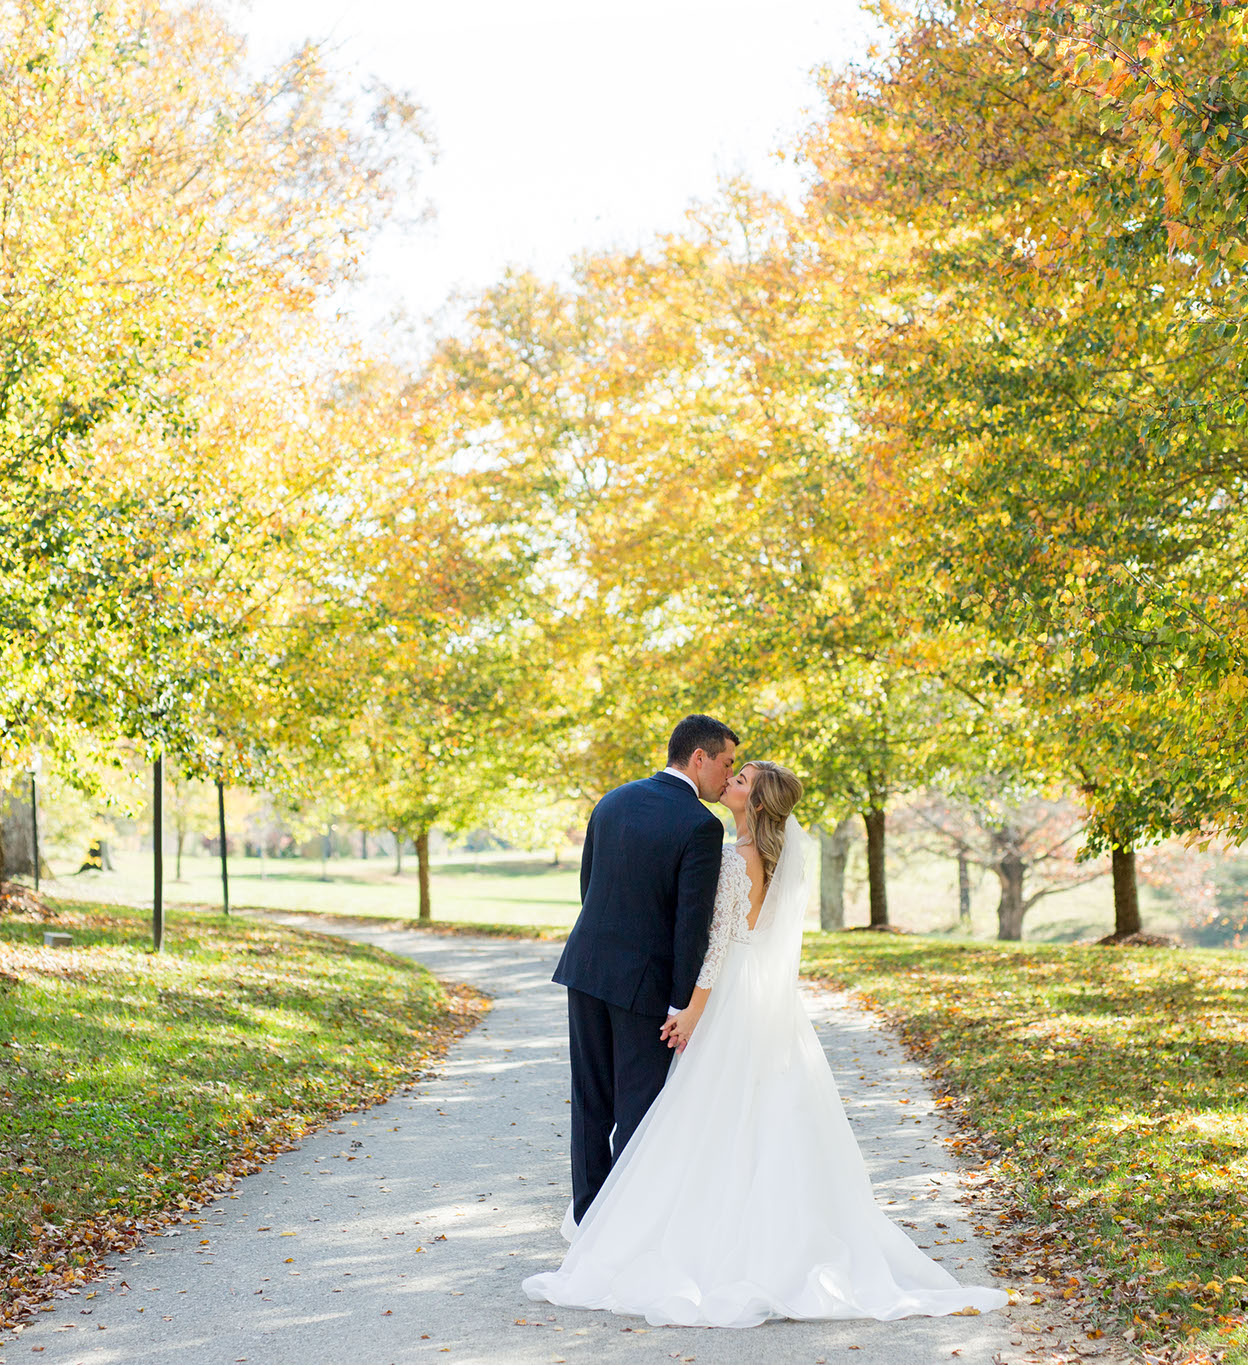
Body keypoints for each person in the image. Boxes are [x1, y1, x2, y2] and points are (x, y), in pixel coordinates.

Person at [525, 760, 1011, 1327]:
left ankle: (681, 1234)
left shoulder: (740, 857)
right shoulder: (755, 853)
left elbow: (719, 944)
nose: (732, 778)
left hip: (727, 995)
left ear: (757, 801)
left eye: (743, 778)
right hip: (751, 997)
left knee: (706, 1112)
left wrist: (690, 1012)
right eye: (733, 770)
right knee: (741, 1114)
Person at [552, 713, 738, 1225]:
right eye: (726, 763)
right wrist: (683, 1005)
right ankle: (626, 1229)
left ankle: (590, 1224)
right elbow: (690, 927)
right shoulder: (702, 826)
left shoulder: (611, 800)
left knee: (591, 1102)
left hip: (585, 969)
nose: (728, 776)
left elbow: (589, 887)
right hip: (645, 991)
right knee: (640, 1110)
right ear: (698, 758)